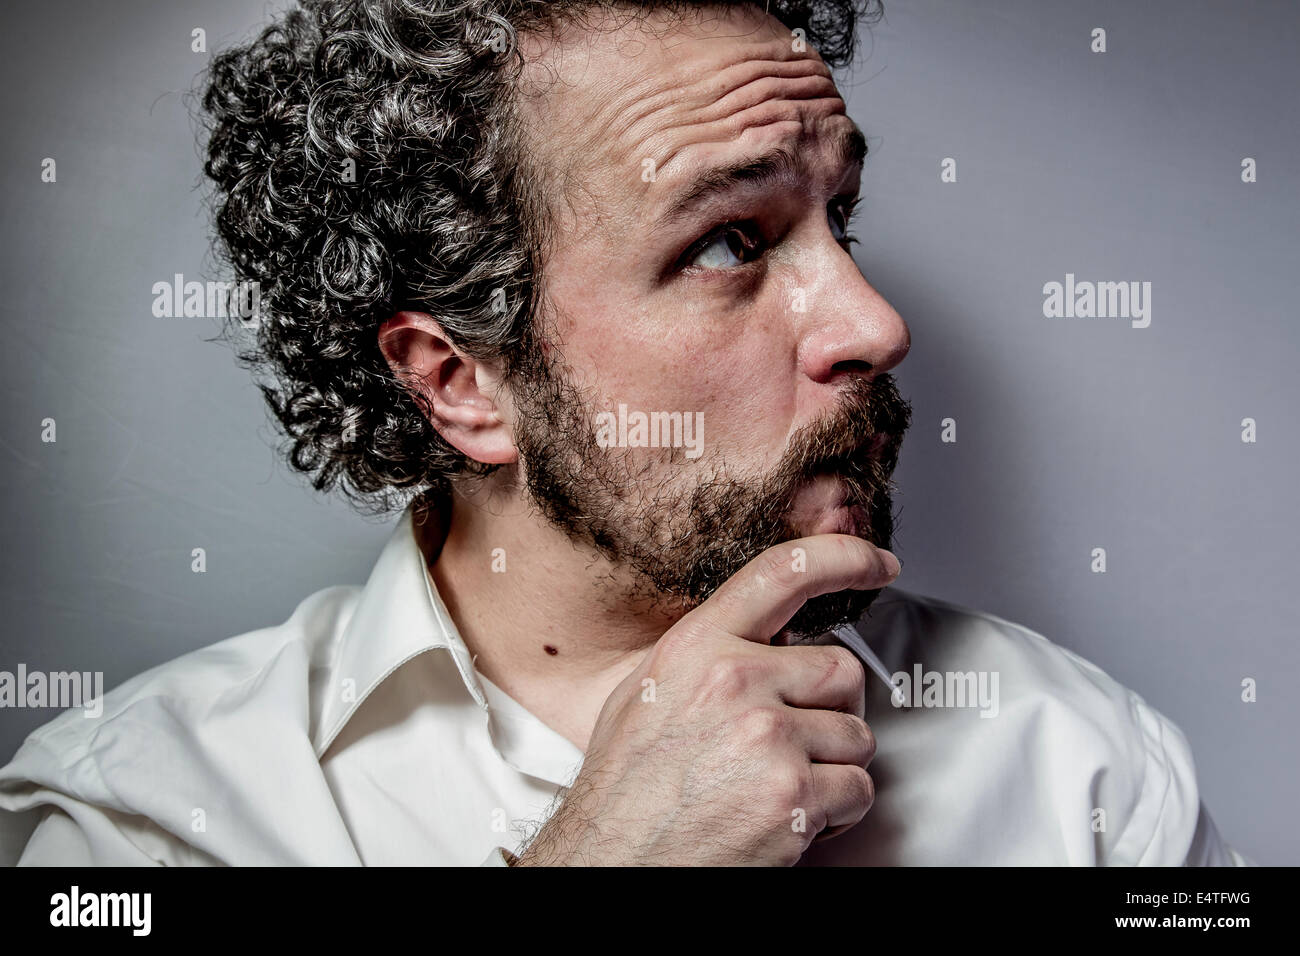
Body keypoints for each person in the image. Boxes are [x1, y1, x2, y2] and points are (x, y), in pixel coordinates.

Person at [0, 0, 1249, 866]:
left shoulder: (1078, 766)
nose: (874, 322)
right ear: (458, 382)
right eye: (729, 241)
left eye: (842, 223)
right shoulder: (150, 818)